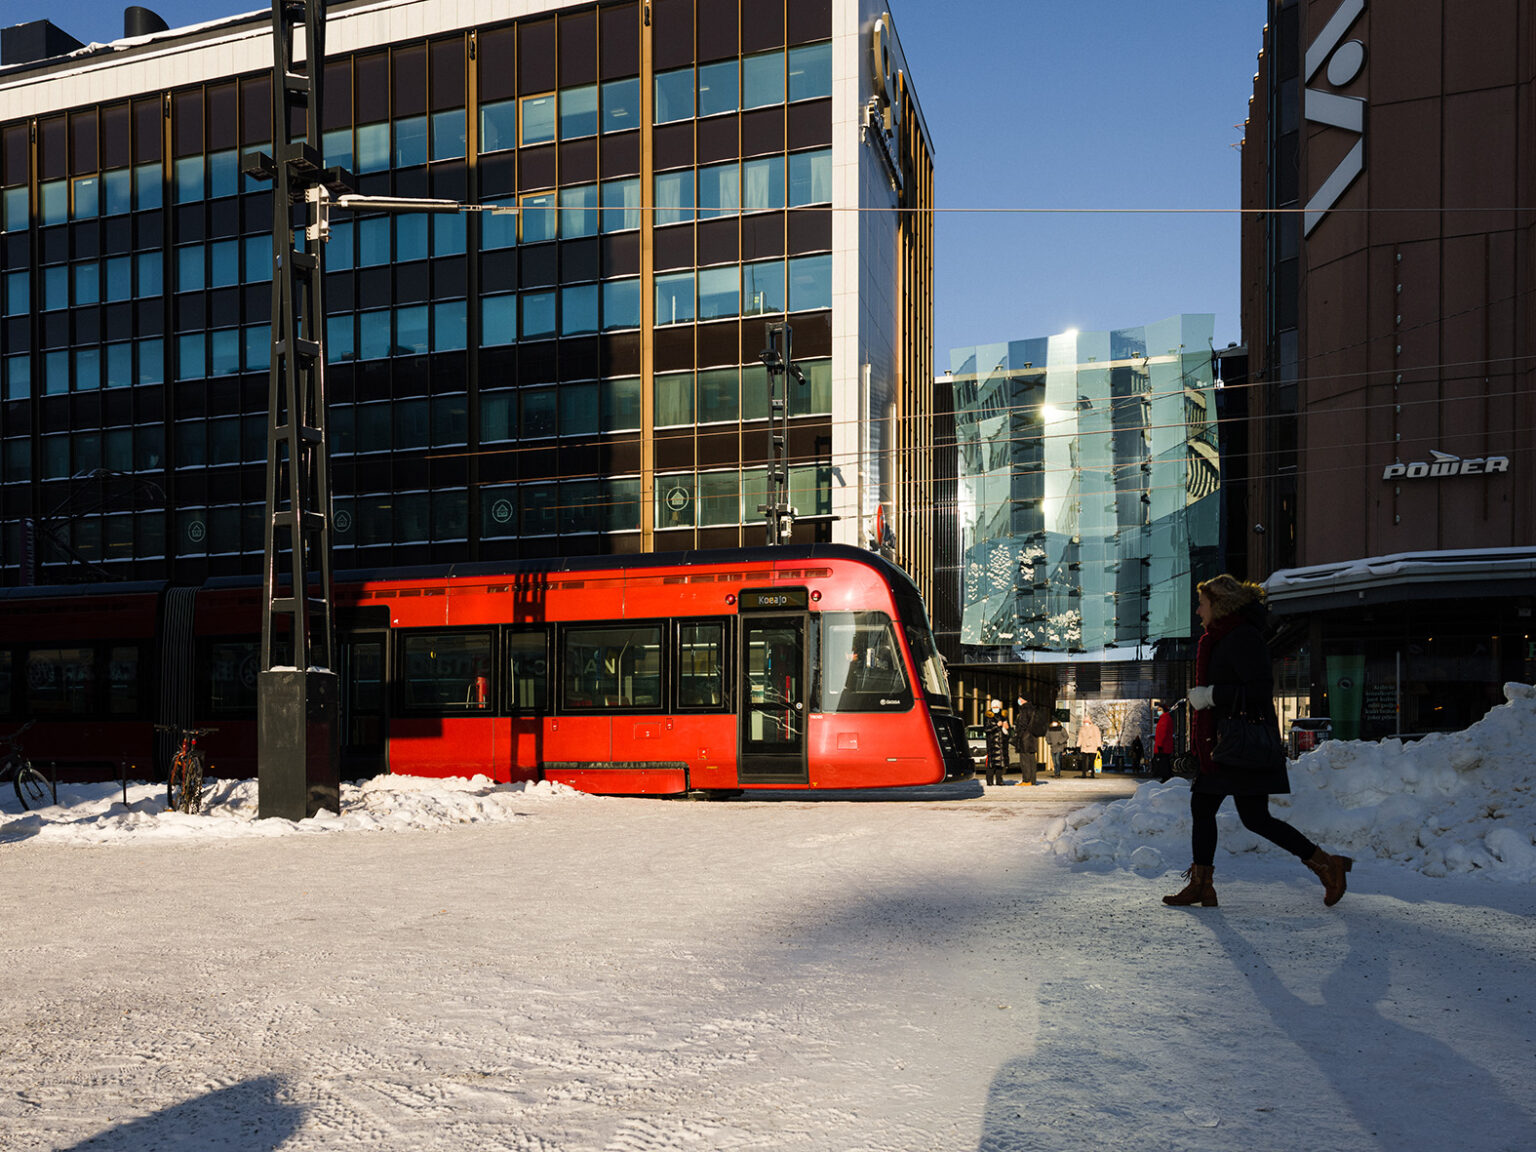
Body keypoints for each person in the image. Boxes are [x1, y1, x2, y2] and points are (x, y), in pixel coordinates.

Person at [1163, 575, 1354, 909]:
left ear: (1219, 606)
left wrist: (1210, 695)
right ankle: (1202, 885)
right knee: (1213, 808)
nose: (1197, 611)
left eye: (1202, 604)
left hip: (1241, 744)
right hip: (1223, 744)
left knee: (1251, 817)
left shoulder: (1243, 638)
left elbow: (1260, 691)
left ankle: (1327, 864)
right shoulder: (1222, 639)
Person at [982, 699, 1010, 787]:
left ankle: (999, 780)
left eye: (997, 706)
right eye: (994, 707)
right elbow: (986, 729)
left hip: (1002, 742)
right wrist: (996, 726)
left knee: (1000, 763)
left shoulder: (1003, 715)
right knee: (991, 763)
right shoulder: (988, 716)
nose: (995, 708)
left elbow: (1008, 727)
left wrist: (1006, 727)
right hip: (992, 743)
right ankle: (989, 781)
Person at [1012, 696, 1039, 785]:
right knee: (1031, 760)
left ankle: (1026, 780)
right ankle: (1032, 780)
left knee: (1024, 760)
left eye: (1020, 699)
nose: (1019, 700)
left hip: (1024, 738)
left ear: (1024, 699)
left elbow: (1022, 724)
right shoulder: (1033, 710)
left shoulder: (1024, 709)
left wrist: (1018, 735)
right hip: (1032, 738)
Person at [1152, 703, 1176, 782]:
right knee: (1165, 762)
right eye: (1158, 710)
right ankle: (1167, 777)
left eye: (1160, 710)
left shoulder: (1164, 719)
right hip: (1165, 745)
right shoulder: (1165, 718)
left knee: (1163, 762)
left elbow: (1162, 733)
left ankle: (1166, 777)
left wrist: (1159, 745)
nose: (1158, 712)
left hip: (1163, 746)